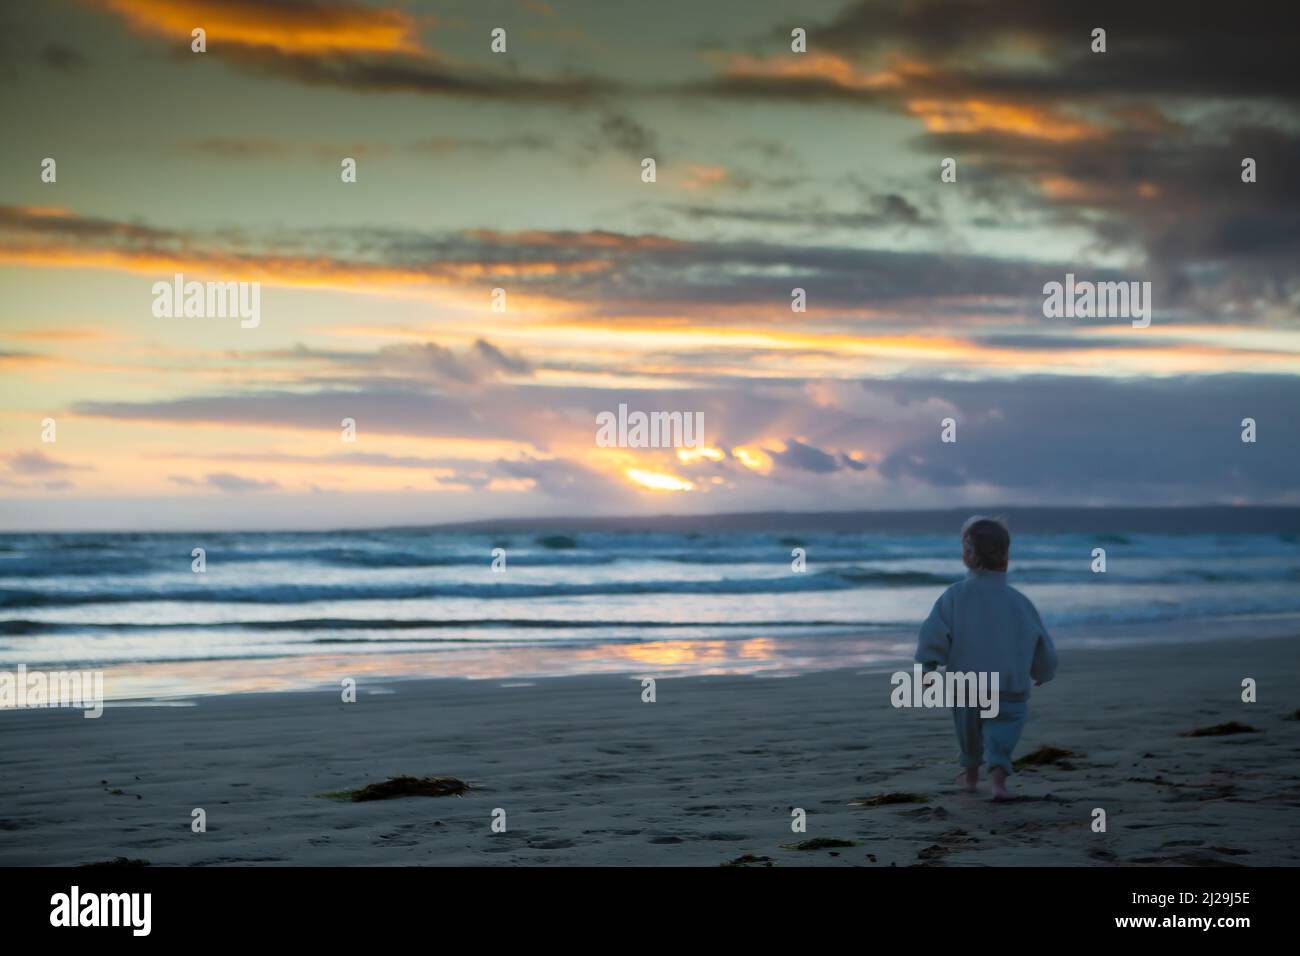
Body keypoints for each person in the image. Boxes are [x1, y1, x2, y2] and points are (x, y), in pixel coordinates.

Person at [915, 516, 1058, 800]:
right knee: (1003, 732)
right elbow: (1041, 643)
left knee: (968, 734)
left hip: (966, 686)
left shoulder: (954, 596)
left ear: (966, 555)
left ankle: (969, 778)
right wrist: (1042, 672)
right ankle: (998, 783)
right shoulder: (1018, 601)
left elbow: (934, 633)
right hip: (1009, 686)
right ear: (1006, 556)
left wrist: (928, 667)